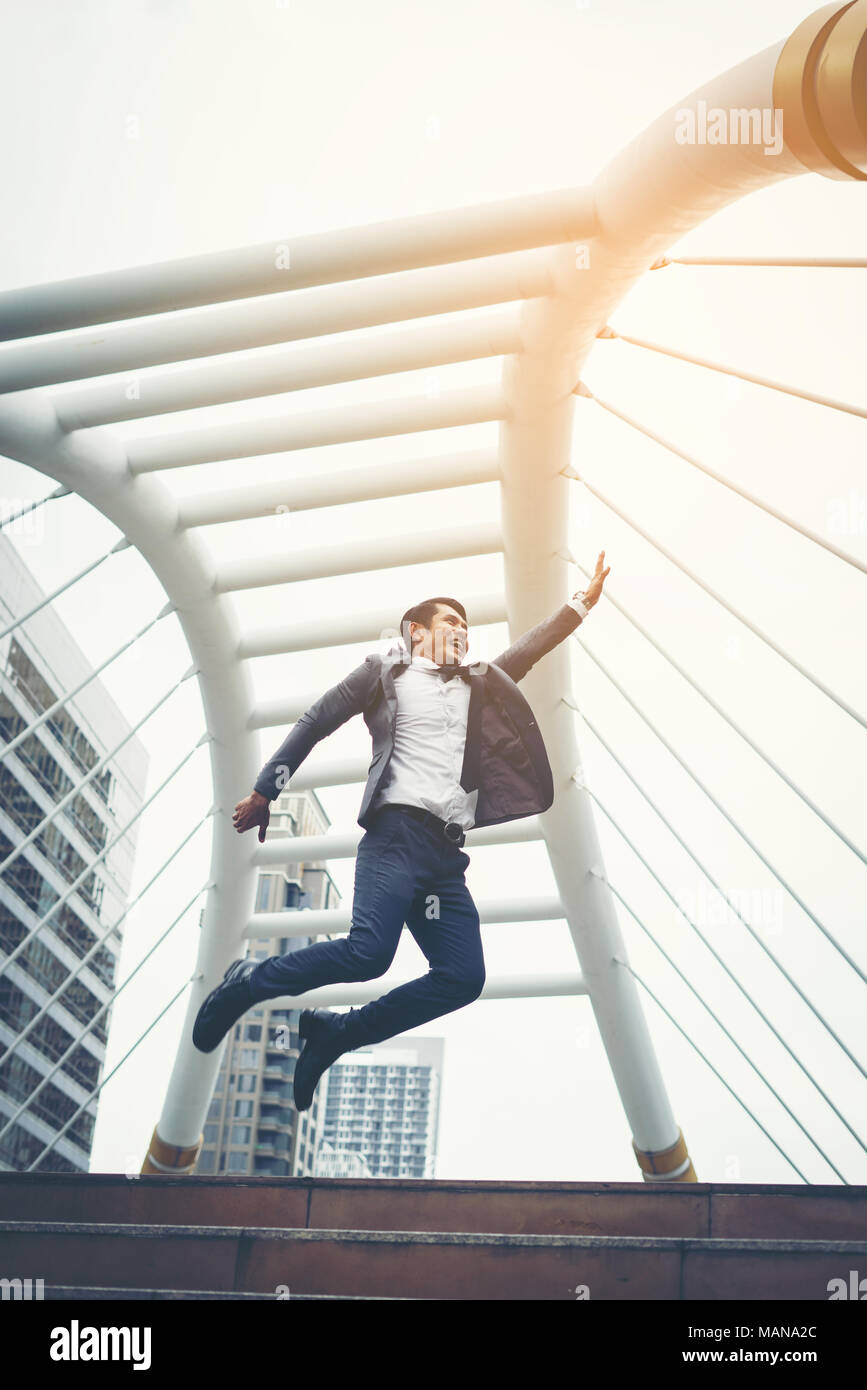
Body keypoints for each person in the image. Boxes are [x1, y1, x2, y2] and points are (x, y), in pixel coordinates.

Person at [193, 553, 610, 1111]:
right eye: (450, 624)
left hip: (443, 858)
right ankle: (248, 981)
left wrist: (579, 605)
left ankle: (338, 1034)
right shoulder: (383, 674)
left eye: (468, 627)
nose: (462, 633)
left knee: (462, 977)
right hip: (394, 839)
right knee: (369, 954)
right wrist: (267, 789)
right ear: (416, 632)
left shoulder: (478, 686)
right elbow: (314, 722)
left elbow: (527, 652)